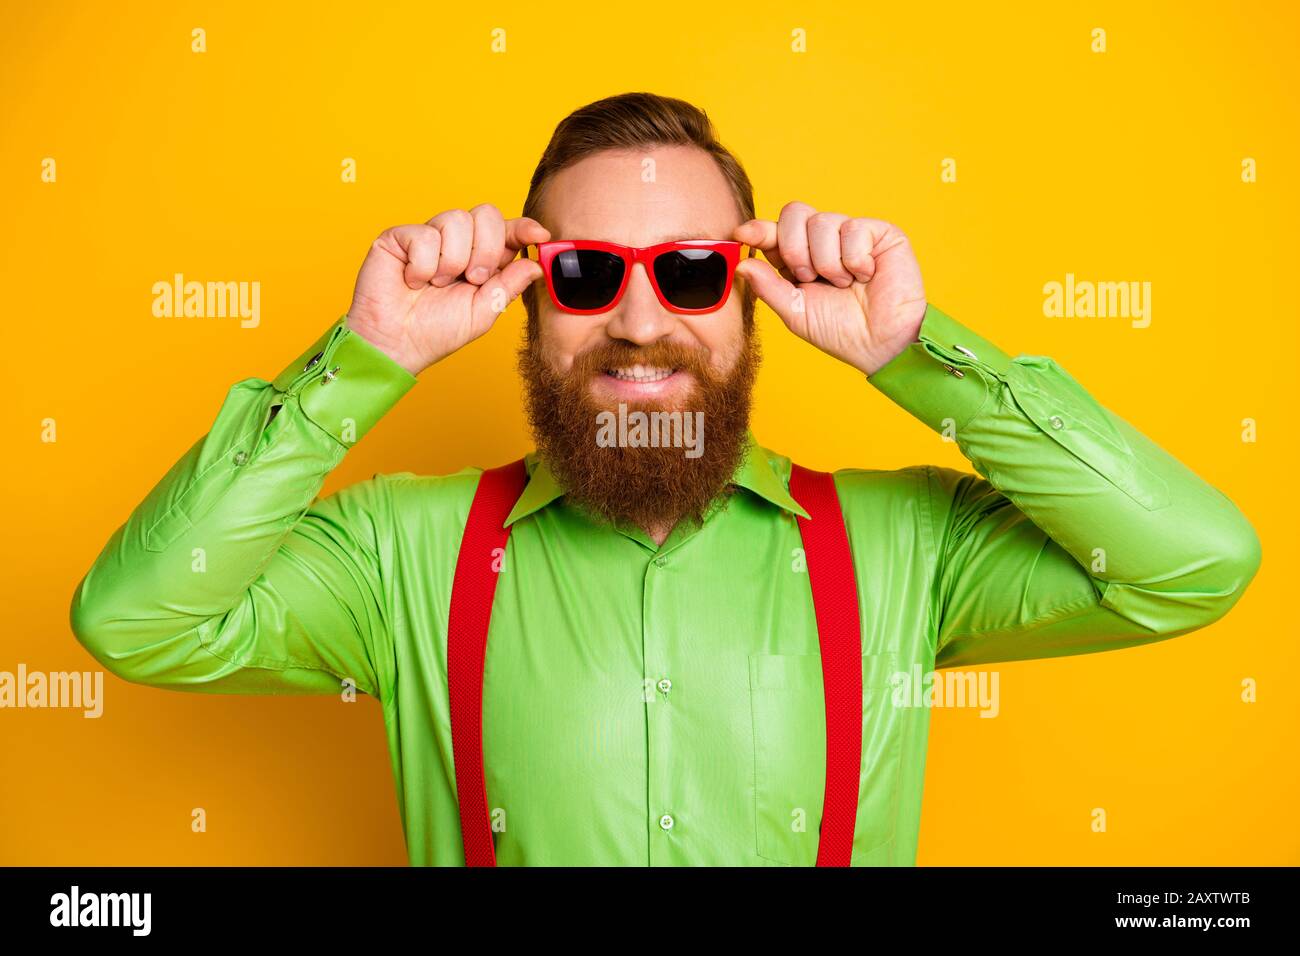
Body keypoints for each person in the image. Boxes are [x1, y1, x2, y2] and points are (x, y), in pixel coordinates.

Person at [69, 91, 1261, 866]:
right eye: (586, 271)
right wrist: (364, 360)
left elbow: (1193, 561)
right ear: (527, 304)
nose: (639, 319)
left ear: (752, 298)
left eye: (691, 269)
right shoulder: (406, 556)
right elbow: (136, 617)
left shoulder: (900, 547)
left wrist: (916, 352)